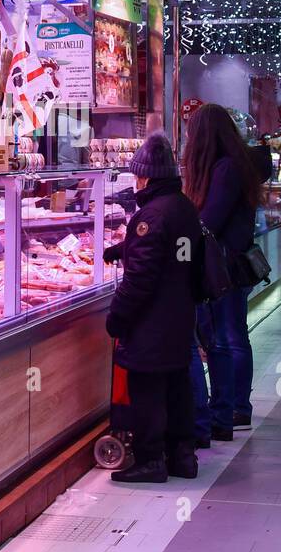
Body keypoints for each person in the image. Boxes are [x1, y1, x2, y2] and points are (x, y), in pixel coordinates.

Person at [101, 133, 204, 483]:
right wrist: (123, 249)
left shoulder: (151, 216)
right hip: (179, 314)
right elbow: (175, 255)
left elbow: (140, 280)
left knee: (146, 388)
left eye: (136, 176)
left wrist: (117, 317)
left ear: (146, 177)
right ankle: (182, 457)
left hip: (152, 321)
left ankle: (150, 460)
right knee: (176, 386)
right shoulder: (182, 206)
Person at [183, 104, 260, 442]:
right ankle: (230, 408)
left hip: (224, 268)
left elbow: (210, 221)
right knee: (228, 337)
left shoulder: (226, 169)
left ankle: (230, 409)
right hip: (226, 265)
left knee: (225, 339)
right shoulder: (231, 164)